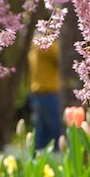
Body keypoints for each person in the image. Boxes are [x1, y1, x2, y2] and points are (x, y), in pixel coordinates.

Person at [26, 22, 63, 150]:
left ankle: (38, 162)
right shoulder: (44, 45)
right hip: (48, 93)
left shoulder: (34, 47)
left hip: (38, 93)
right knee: (57, 130)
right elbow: (60, 56)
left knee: (42, 132)